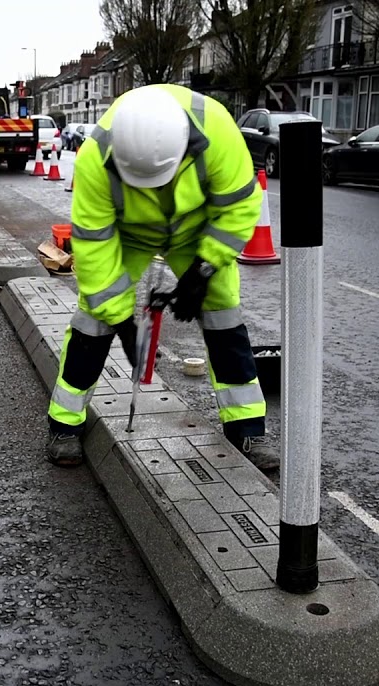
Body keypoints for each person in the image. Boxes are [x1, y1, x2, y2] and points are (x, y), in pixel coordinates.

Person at [44, 84, 273, 469]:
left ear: (186, 147)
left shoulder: (218, 131)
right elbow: (95, 249)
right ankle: (64, 425)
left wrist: (204, 268)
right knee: (93, 319)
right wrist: (121, 321)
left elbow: (240, 207)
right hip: (129, 233)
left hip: (196, 231)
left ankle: (246, 429)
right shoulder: (94, 160)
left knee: (223, 314)